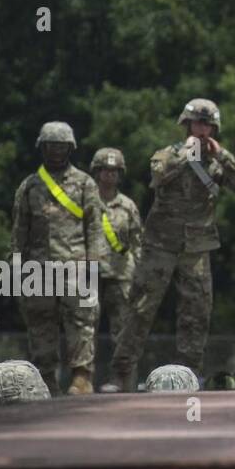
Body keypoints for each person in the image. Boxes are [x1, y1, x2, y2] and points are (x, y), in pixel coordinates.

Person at [106, 99, 235, 391]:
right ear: (187, 125)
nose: (202, 129)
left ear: (214, 129)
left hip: (197, 247)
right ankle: (121, 373)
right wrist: (187, 153)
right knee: (141, 307)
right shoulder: (168, 155)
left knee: (196, 312)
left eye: (207, 125)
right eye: (197, 124)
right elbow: (159, 175)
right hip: (160, 244)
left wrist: (222, 155)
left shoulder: (215, 164)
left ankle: (188, 375)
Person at [9, 122, 107, 394]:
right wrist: (16, 266)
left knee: (81, 321)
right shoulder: (29, 186)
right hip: (38, 267)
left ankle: (81, 376)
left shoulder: (85, 183)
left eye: (60, 146)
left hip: (76, 265)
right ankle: (45, 377)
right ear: (42, 147)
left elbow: (94, 225)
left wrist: (94, 262)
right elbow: (20, 229)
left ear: (70, 148)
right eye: (50, 145)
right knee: (40, 323)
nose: (55, 151)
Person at [88, 147, 140, 356]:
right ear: (97, 172)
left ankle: (122, 379)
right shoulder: (84, 202)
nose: (110, 174)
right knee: (84, 329)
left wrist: (140, 273)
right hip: (88, 273)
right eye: (105, 170)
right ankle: (83, 378)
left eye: (114, 171)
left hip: (120, 274)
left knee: (123, 330)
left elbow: (137, 241)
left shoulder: (128, 206)